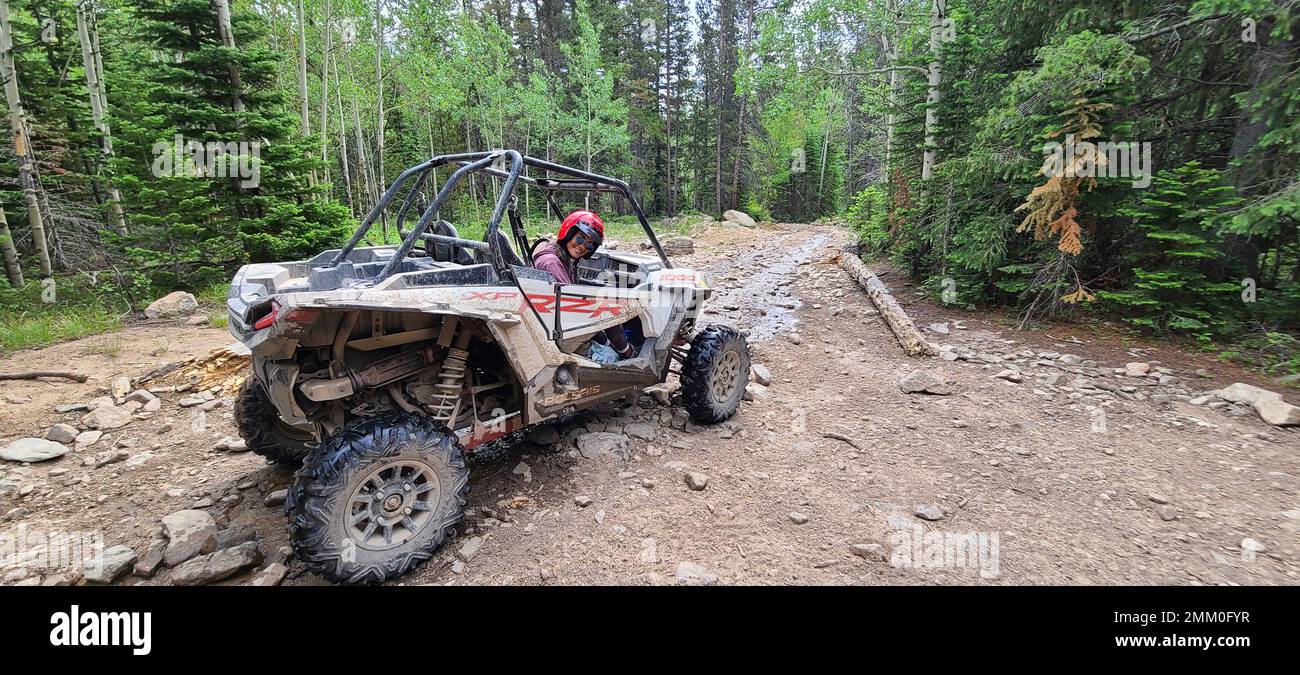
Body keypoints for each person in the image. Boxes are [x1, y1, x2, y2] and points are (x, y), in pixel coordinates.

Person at [532, 210, 636, 360]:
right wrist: (604, 342)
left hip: (558, 322)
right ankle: (626, 353)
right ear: (568, 233)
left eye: (589, 246)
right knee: (612, 358)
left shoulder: (562, 257)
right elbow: (572, 310)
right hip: (559, 332)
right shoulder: (552, 262)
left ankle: (621, 348)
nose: (583, 247)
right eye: (580, 240)